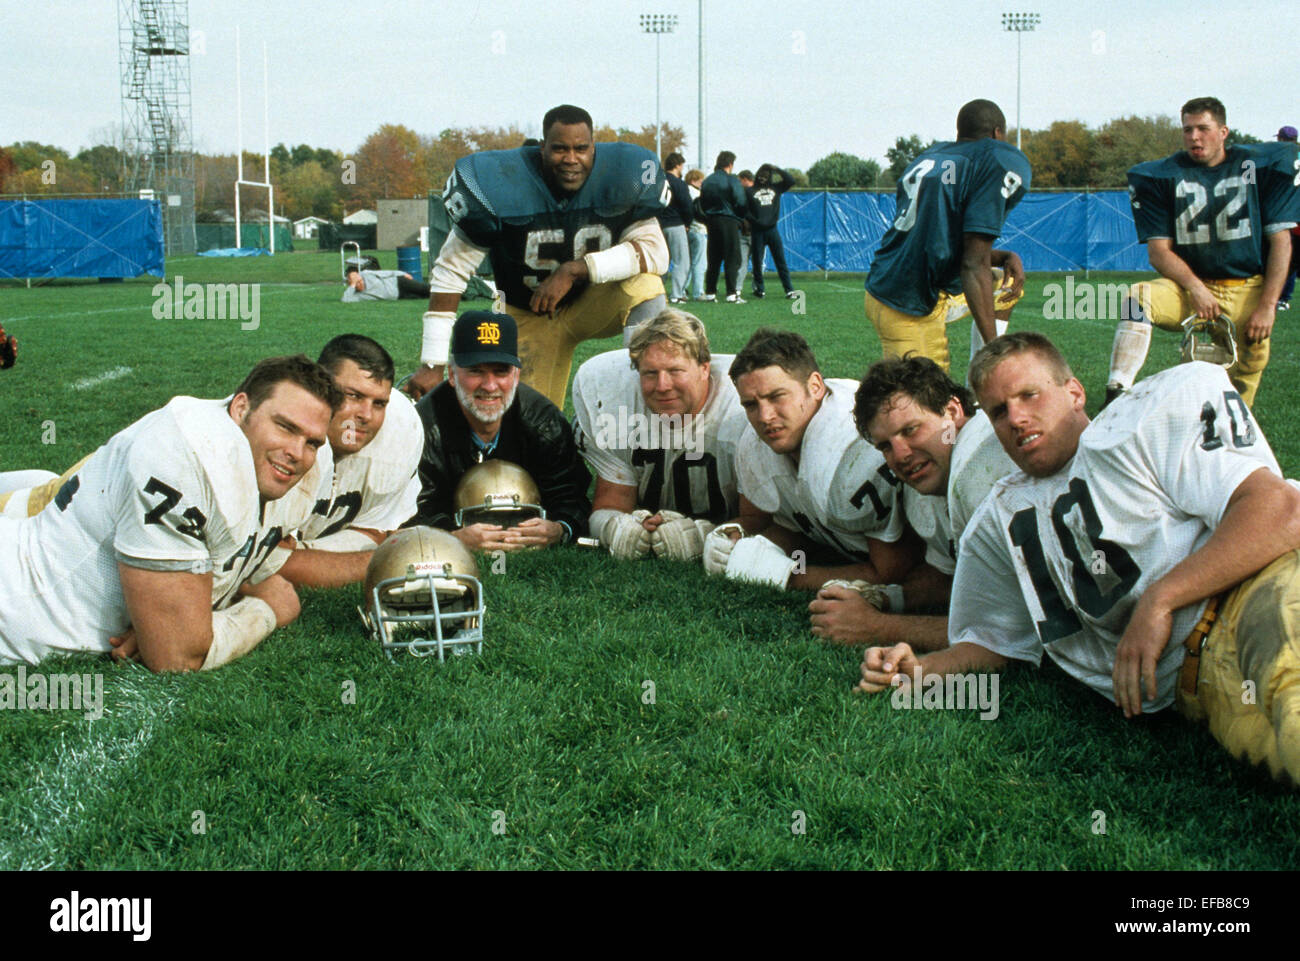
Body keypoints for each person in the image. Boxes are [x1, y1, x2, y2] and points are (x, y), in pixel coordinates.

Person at [858, 331, 1300, 787]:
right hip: (1197, 688)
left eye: (1029, 395)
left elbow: (1280, 510)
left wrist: (1160, 600)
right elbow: (996, 639)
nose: (1016, 417)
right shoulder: (998, 518)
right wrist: (922, 669)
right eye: (998, 411)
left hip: (1249, 593)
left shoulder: (1135, 425)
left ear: (1074, 393)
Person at [0, 356, 341, 672]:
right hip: (14, 602)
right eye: (285, 427)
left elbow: (240, 572)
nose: (298, 452)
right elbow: (175, 655)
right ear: (240, 407)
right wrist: (267, 610)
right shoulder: (181, 454)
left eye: (312, 442)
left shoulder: (307, 465)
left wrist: (173, 612)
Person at [405, 104, 670, 407]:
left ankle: (647, 388)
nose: (571, 159)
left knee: (646, 286)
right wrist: (432, 363)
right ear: (542, 148)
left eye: (581, 149)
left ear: (593, 148)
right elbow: (451, 271)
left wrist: (575, 270)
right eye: (559, 149)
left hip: (589, 302)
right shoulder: (499, 183)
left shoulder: (625, 177)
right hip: (526, 312)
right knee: (530, 425)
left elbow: (655, 253)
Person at [808, 354, 1016, 648]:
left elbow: (1009, 629)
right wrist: (886, 596)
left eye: (910, 430)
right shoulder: (930, 484)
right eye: (885, 446)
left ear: (953, 411)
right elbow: (947, 575)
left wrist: (879, 628)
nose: (901, 455)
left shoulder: (983, 475)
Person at [1105, 98, 1300, 408]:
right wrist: (1195, 287)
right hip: (1189, 287)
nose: (1194, 137)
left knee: (1248, 365)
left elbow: (1282, 242)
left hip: (1246, 287)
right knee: (1137, 298)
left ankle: (1236, 423)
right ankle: (1116, 390)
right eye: (1187, 130)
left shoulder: (1260, 166)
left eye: (1203, 129)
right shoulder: (1164, 174)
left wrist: (1268, 305)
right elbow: (1158, 253)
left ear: (1223, 131)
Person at [704, 328, 912, 592]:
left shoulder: (853, 452)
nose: (765, 416)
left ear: (815, 386)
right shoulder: (754, 444)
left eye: (776, 396)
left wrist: (788, 576)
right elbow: (795, 521)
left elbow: (890, 572)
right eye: (751, 404)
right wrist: (741, 540)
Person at [864, 99, 1031, 374]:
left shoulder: (931, 158)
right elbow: (972, 264)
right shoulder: (998, 158)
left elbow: (942, 241)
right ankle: (988, 368)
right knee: (929, 405)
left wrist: (1005, 256)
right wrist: (995, 353)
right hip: (905, 303)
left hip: (903, 281)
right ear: (997, 134)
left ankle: (977, 393)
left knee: (1006, 283)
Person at [571, 309, 748, 561]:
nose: (663, 386)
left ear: (704, 369)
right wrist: (614, 528)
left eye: (675, 371)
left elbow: (764, 520)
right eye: (650, 373)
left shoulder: (740, 406)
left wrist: (708, 535)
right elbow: (612, 502)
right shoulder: (613, 398)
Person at [408, 311, 590, 550]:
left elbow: (571, 494)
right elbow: (410, 508)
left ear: (516, 375)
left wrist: (560, 528)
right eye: (476, 370)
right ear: (452, 375)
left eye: (501, 371)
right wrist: (451, 536)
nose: (490, 385)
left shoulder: (544, 422)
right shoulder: (421, 428)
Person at [260, 335, 422, 587]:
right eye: (353, 396)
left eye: (378, 403)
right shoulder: (277, 442)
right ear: (319, 386)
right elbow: (262, 563)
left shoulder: (402, 429)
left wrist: (305, 555)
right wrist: (392, 560)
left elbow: (376, 531)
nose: (366, 415)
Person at [699, 151, 749, 304]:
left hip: (712, 221)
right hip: (729, 220)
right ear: (730, 164)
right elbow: (740, 201)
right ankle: (731, 293)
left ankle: (710, 293)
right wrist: (740, 217)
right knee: (732, 258)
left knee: (713, 258)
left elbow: (702, 203)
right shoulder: (732, 180)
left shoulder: (707, 181)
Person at [747, 163, 798, 300]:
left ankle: (789, 290)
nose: (763, 178)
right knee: (757, 262)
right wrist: (755, 221)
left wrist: (777, 169)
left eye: (767, 175)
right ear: (757, 175)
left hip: (772, 230)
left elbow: (791, 180)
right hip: (757, 231)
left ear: (771, 176)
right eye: (761, 175)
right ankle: (760, 289)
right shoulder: (750, 191)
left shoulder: (776, 188)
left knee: (780, 260)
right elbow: (745, 211)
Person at [658, 152, 694, 304]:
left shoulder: (657, 182)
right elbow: (687, 207)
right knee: (681, 262)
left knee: (661, 263)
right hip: (676, 224)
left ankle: (655, 294)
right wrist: (687, 223)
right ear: (678, 165)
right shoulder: (679, 183)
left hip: (658, 226)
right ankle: (676, 295)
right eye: (682, 165)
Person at [1275, 125, 1300, 311]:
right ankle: (1283, 298)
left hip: (1289, 214)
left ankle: (1281, 297)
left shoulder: (1280, 157)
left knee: (1286, 257)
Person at [684, 169, 708, 300]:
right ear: (693, 180)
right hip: (698, 230)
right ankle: (698, 292)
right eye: (700, 180)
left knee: (688, 262)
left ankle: (682, 289)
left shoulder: (685, 191)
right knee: (700, 263)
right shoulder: (697, 194)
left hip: (689, 230)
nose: (702, 183)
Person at [342, 266, 430, 302]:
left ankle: (443, 289)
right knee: (424, 297)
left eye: (360, 280)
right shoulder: (358, 295)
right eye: (356, 283)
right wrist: (353, 284)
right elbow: (345, 300)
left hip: (399, 283)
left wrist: (402, 273)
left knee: (425, 289)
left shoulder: (366, 274)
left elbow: (386, 273)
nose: (360, 284)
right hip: (398, 296)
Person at [736, 169, 755, 296]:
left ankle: (738, 288)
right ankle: (757, 288)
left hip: (748, 232)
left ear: (744, 179)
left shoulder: (741, 195)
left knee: (743, 262)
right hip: (751, 233)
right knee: (756, 263)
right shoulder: (757, 193)